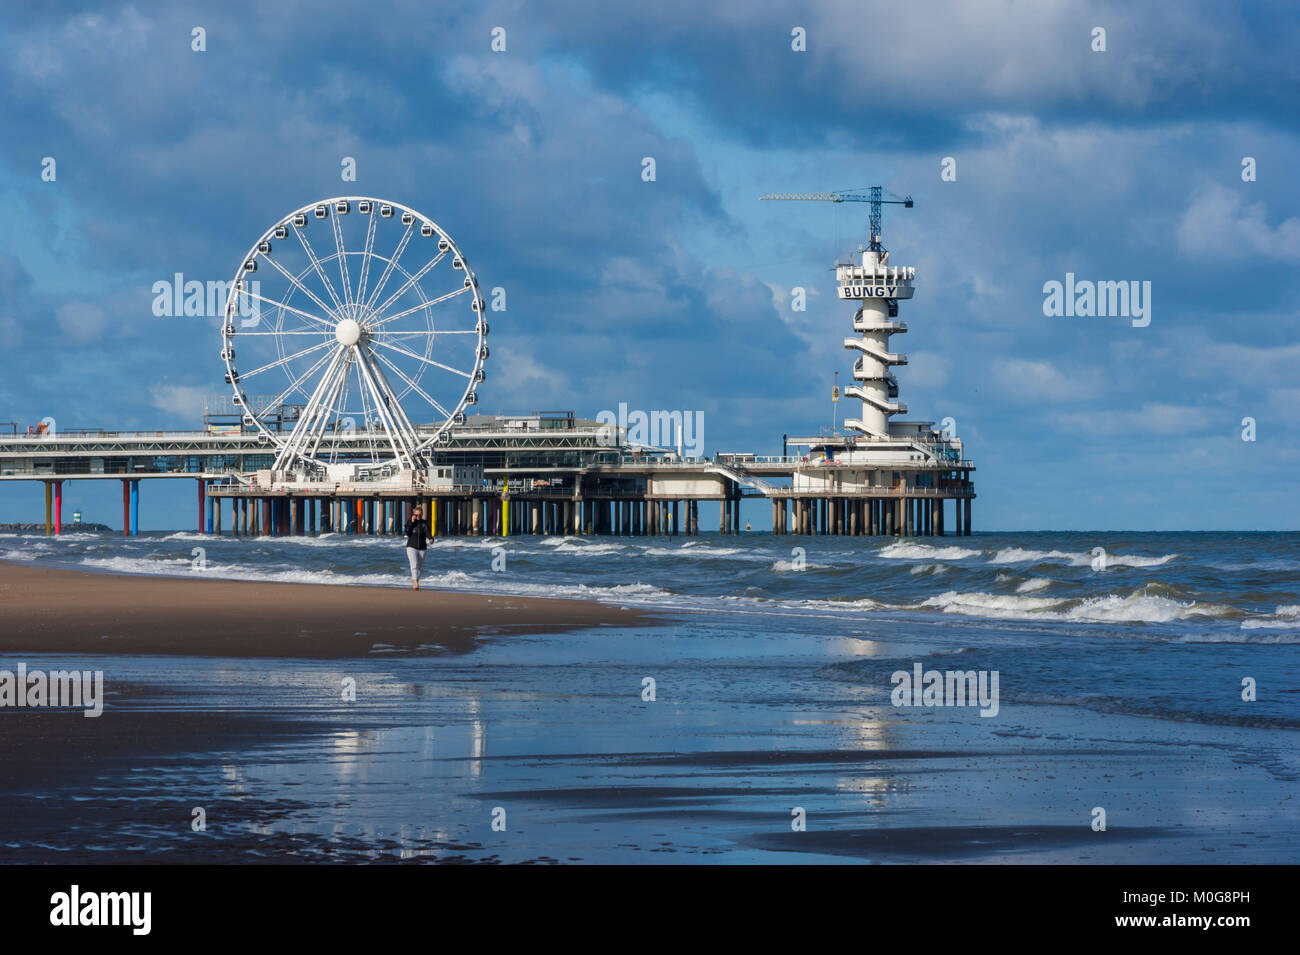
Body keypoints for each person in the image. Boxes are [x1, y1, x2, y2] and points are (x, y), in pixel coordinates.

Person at [404, 505, 429, 590]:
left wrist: (431, 538)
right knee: (414, 564)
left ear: (422, 515)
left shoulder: (424, 523)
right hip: (411, 546)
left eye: (420, 515)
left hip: (422, 547)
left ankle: (416, 581)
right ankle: (415, 583)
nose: (418, 517)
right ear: (414, 515)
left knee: (419, 567)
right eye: (416, 515)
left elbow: (427, 532)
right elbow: (407, 533)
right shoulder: (409, 522)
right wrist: (412, 522)